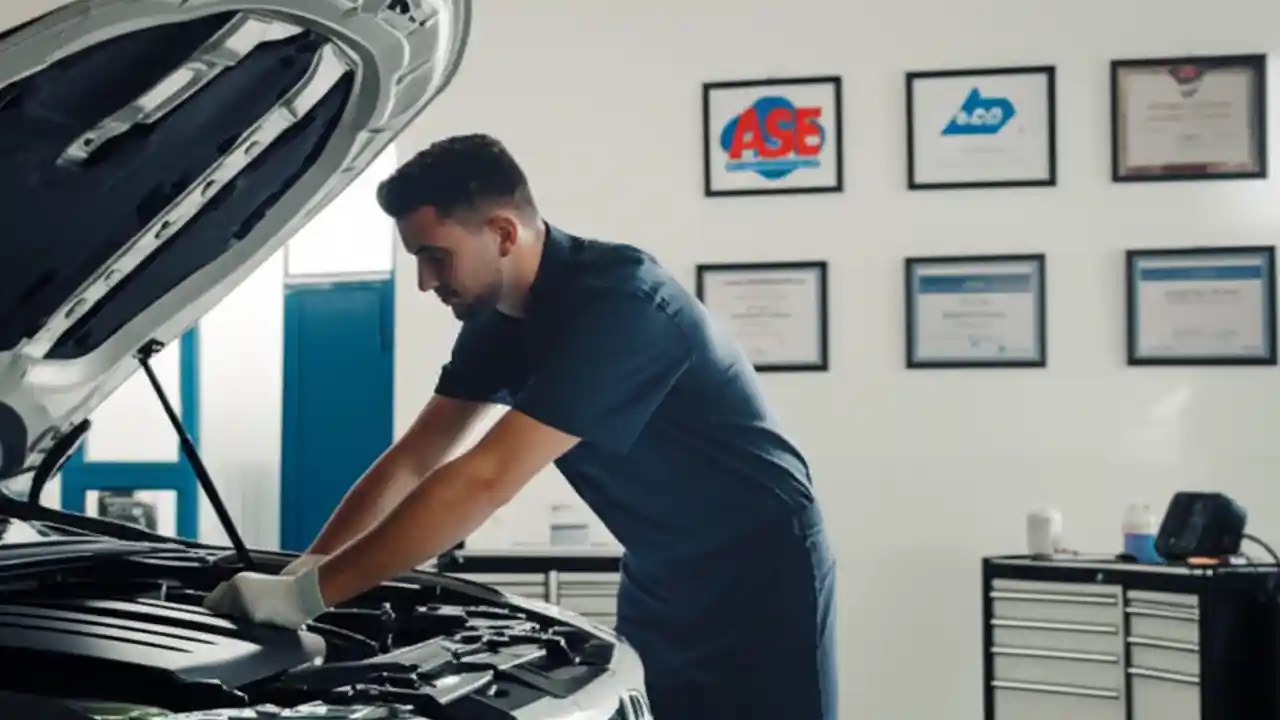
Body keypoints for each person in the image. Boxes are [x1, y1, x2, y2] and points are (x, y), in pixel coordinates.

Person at [203, 133, 838, 719]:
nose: (425, 281)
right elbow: (413, 459)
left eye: (435, 256)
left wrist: (310, 598)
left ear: (504, 232)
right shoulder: (495, 323)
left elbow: (484, 476)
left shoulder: (624, 307)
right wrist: (306, 572)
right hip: (660, 568)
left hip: (760, 565)